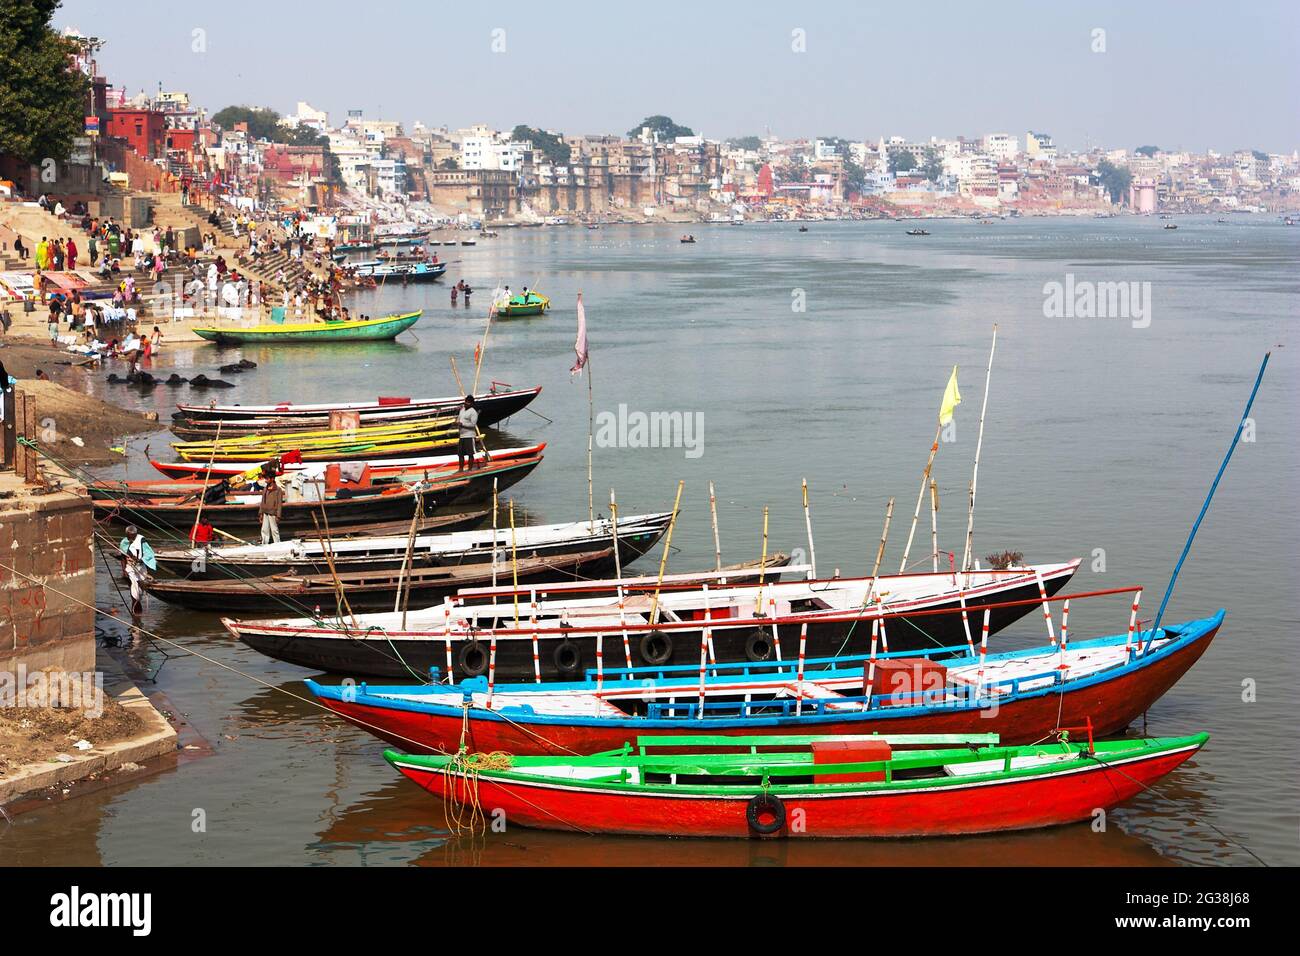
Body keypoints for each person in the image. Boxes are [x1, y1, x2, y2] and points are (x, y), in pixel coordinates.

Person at [118, 525, 155, 616]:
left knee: (140, 589)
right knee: (134, 587)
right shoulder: (124, 542)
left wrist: (141, 560)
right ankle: (135, 611)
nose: (131, 538)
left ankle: (138, 609)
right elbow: (123, 557)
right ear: (127, 535)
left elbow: (149, 553)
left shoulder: (142, 541)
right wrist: (124, 571)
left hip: (140, 567)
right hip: (130, 568)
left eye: (133, 536)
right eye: (129, 536)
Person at [258, 467, 284, 544]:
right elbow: (262, 501)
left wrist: (278, 515)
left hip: (273, 513)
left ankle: (277, 544)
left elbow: (279, 504)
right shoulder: (265, 489)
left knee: (274, 530)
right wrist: (260, 513)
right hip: (265, 512)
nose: (266, 480)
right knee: (264, 529)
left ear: (272, 479)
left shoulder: (278, 490)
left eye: (267, 479)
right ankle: (264, 543)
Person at [456, 394, 479, 471]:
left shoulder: (473, 412)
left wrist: (462, 424)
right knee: (460, 454)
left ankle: (470, 469)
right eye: (465, 401)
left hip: (469, 436)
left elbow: (473, 425)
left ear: (471, 404)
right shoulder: (462, 410)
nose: (465, 403)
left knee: (470, 454)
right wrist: (456, 423)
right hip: (461, 436)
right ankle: (461, 469)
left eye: (468, 402)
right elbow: (459, 419)